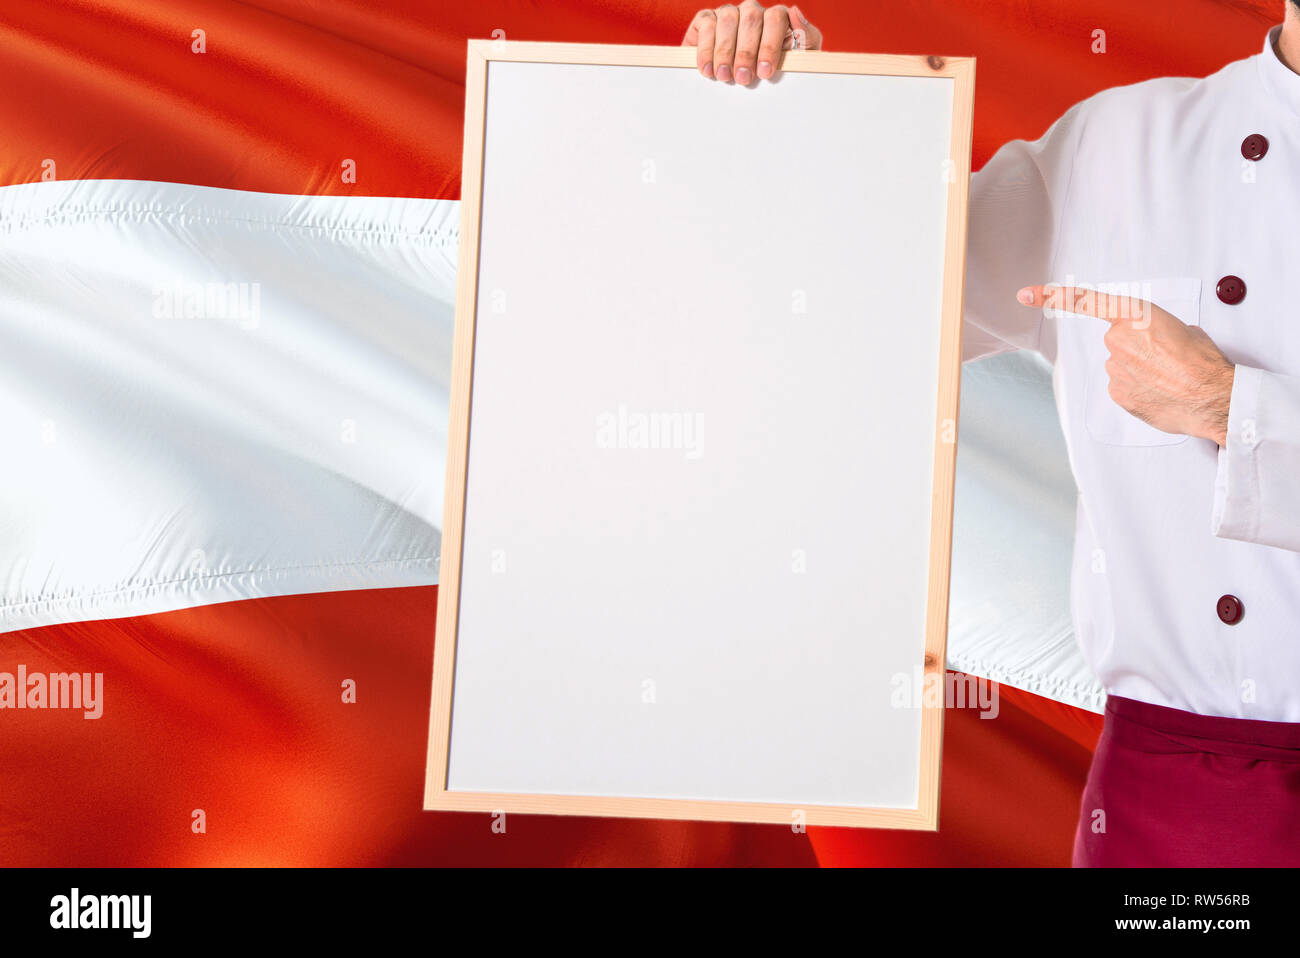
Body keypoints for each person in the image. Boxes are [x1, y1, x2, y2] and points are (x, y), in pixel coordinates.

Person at [682, 1, 1300, 866]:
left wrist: (1228, 409)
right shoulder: (1114, 145)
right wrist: (794, 104)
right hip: (1164, 804)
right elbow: (867, 300)